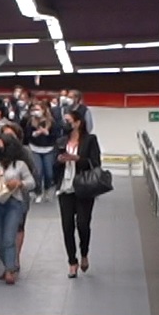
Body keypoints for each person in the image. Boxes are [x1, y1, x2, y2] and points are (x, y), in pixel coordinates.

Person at [0, 130, 35, 285]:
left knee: (8, 237)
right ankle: (6, 264)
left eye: (1, 145)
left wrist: (19, 183)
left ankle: (10, 269)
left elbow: (32, 183)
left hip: (14, 203)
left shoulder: (20, 165)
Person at [56, 108, 103, 277]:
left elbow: (95, 163)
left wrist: (77, 159)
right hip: (65, 188)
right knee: (67, 226)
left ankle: (84, 253)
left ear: (78, 122)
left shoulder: (90, 140)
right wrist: (59, 161)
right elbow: (55, 165)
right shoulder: (61, 141)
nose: (65, 124)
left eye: (68, 121)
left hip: (83, 187)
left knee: (83, 224)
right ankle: (72, 261)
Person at [24, 102, 58, 204]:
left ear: (44, 110)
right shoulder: (30, 122)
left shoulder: (51, 122)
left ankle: (47, 189)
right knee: (37, 172)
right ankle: (38, 192)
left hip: (48, 149)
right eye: (34, 110)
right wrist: (35, 133)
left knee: (49, 173)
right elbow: (26, 135)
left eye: (38, 109)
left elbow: (56, 135)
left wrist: (47, 133)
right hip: (35, 148)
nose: (36, 112)